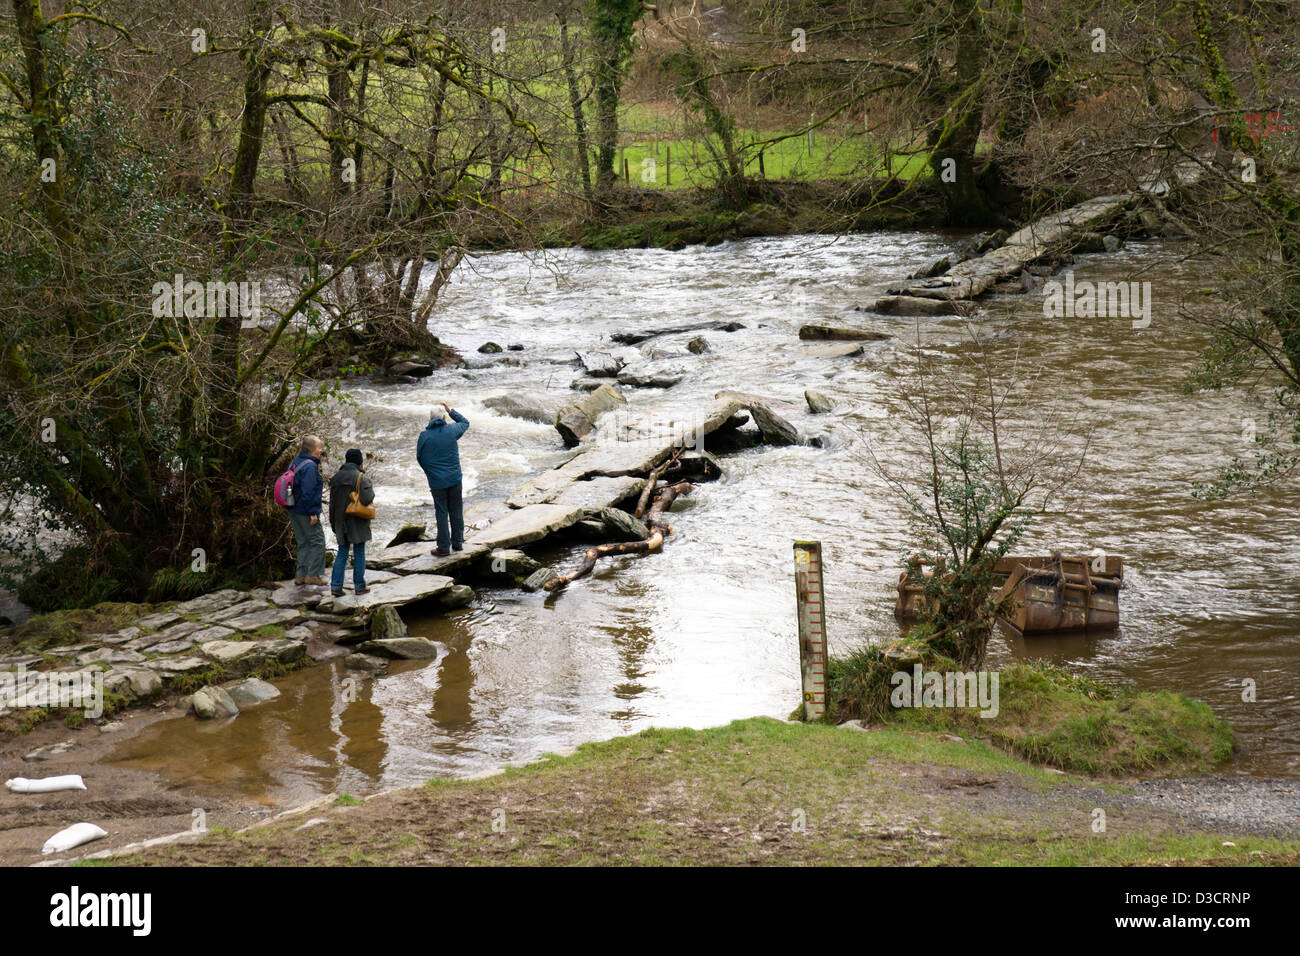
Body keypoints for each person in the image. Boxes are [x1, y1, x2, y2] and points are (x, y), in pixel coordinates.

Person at [416, 402, 469, 556]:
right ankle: (458, 543)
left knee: (441, 513)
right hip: (454, 478)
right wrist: (451, 410)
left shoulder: (424, 436)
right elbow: (465, 422)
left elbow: (420, 458)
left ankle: (444, 548)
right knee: (456, 511)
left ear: (430, 419)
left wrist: (431, 472)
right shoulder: (452, 430)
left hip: (437, 482)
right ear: (444, 417)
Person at [328, 448, 375, 597]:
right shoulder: (361, 477)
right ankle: (359, 586)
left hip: (339, 521)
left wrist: (332, 524)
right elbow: (367, 498)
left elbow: (332, 504)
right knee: (359, 551)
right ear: (359, 462)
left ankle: (336, 587)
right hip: (357, 521)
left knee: (342, 552)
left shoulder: (335, 478)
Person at [286, 436, 327, 585]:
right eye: (319, 448)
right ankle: (314, 575)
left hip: (293, 509)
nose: (321, 450)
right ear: (311, 450)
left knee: (303, 542)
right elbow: (308, 491)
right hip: (305, 510)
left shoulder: (295, 462)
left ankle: (300, 576)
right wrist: (312, 512)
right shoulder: (310, 466)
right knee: (318, 541)